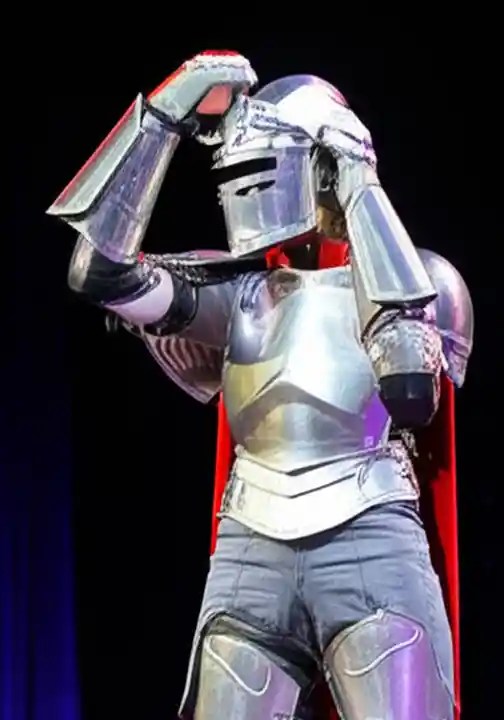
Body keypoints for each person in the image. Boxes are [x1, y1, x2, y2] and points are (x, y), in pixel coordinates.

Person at [48, 51, 472, 719]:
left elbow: (410, 393)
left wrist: (357, 182)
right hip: (251, 550)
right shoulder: (240, 294)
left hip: (369, 540)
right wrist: (161, 118)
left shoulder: (419, 279)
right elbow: (98, 273)